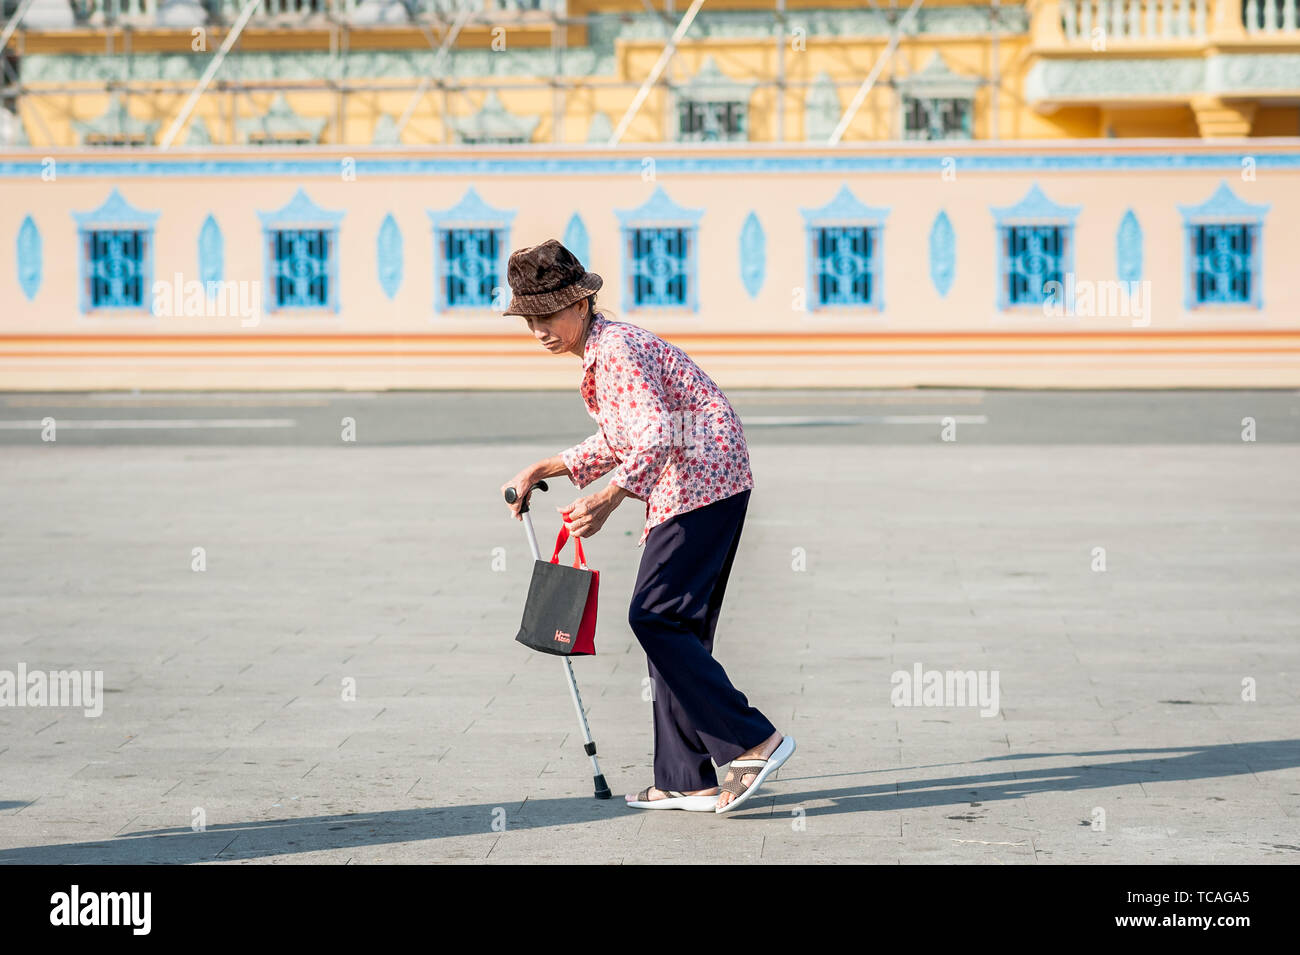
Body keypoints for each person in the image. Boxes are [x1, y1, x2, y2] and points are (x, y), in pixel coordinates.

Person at [499, 238, 795, 814]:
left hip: (700, 484)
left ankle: (753, 741)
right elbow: (627, 434)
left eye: (548, 312)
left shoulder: (614, 352)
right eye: (529, 317)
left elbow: (656, 434)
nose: (538, 328)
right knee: (677, 628)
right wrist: (551, 466)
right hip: (709, 478)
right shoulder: (605, 348)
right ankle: (686, 777)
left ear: (581, 304)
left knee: (653, 617)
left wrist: (610, 497)